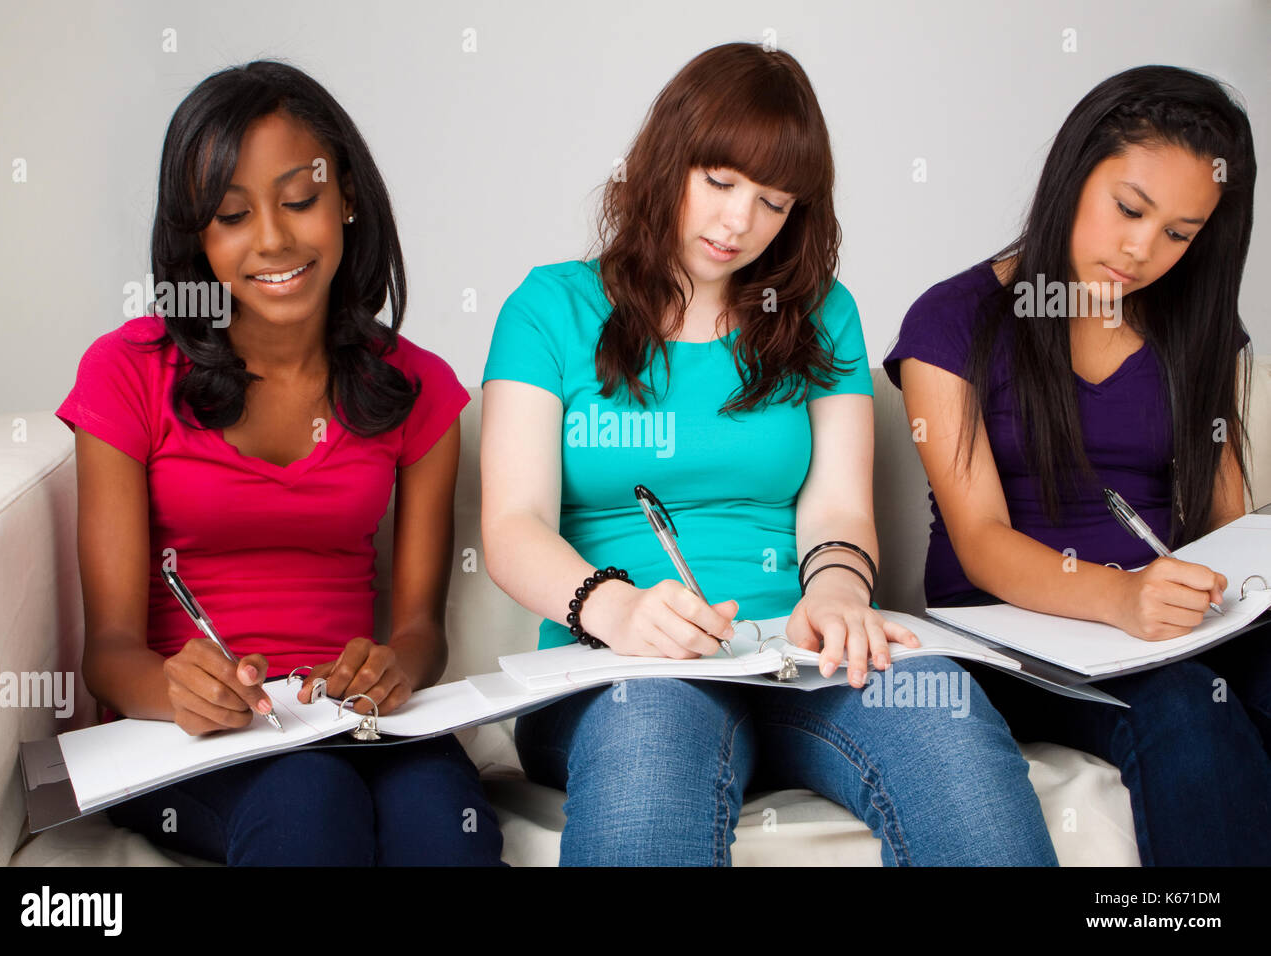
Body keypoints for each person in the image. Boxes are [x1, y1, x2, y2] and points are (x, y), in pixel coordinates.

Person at [480, 42, 1057, 866]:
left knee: (944, 711)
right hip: (619, 665)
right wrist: (617, 611)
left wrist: (835, 591)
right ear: (663, 161)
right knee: (653, 734)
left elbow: (838, 508)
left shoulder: (823, 312)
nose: (737, 224)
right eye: (718, 183)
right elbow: (513, 524)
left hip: (798, 653)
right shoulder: (548, 308)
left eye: (773, 202)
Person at [56, 61, 503, 866]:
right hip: (191, 739)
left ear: (348, 198)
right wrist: (177, 689)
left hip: (352, 722)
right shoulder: (125, 373)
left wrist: (390, 667)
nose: (273, 238)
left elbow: (418, 631)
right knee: (308, 801)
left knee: (447, 830)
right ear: (197, 237)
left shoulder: (417, 389)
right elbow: (110, 651)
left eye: (300, 200)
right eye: (231, 215)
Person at [886, 64, 1271, 865]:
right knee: (1186, 711)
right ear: (1074, 169)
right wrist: (1121, 598)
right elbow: (979, 540)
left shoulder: (1194, 327)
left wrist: (1226, 589)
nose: (1142, 250)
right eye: (1129, 209)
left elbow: (1225, 525)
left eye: (1179, 233)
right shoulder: (952, 322)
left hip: (1168, 629)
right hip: (1019, 640)